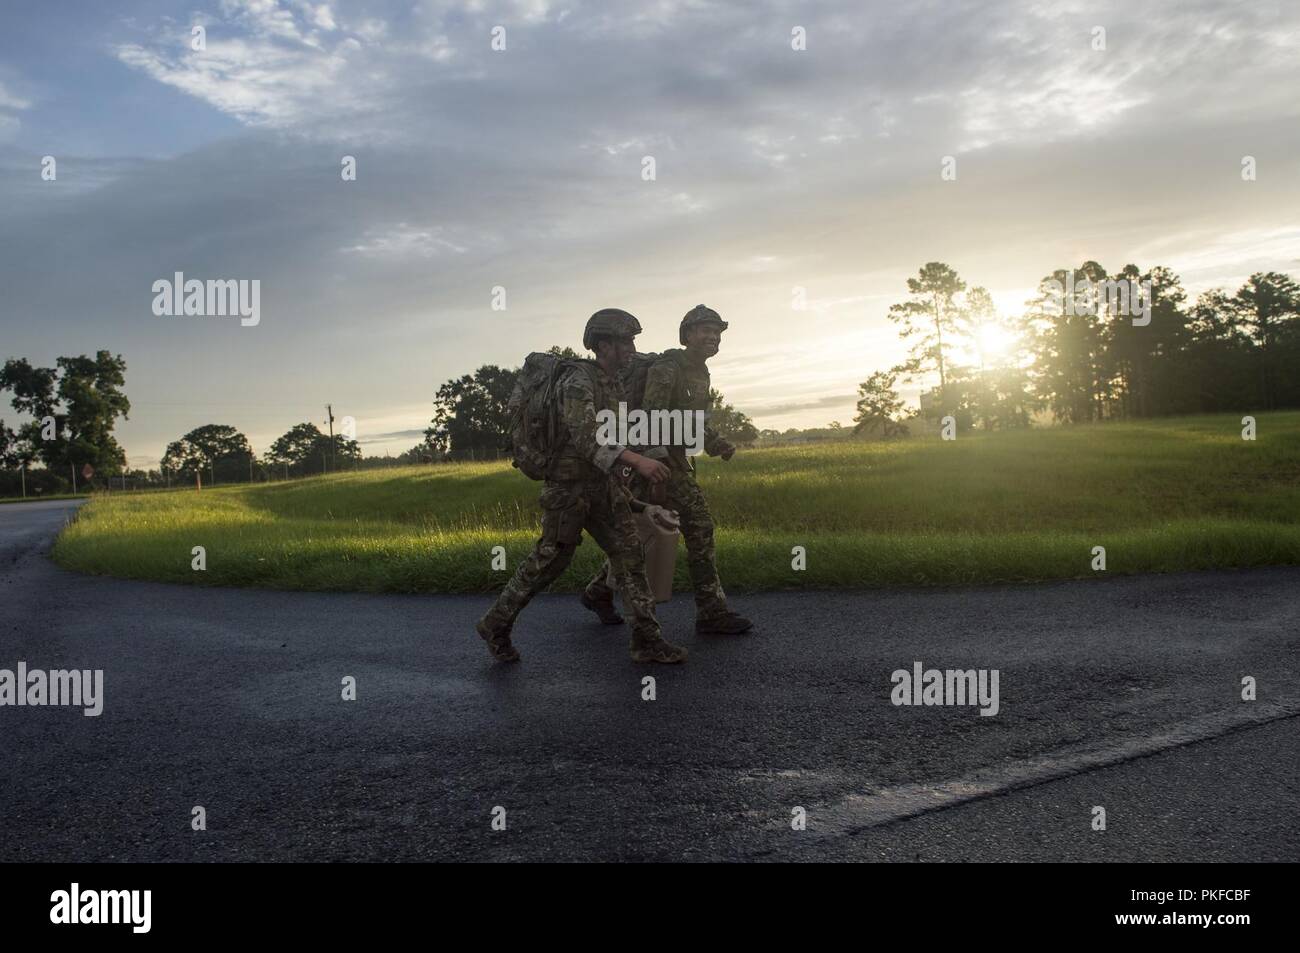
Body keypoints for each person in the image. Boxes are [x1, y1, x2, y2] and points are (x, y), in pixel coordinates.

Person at [475, 308, 689, 664]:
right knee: (549, 562)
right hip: (568, 488)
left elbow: (617, 437)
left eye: (633, 340)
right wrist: (639, 462)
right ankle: (495, 623)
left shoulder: (613, 384)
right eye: (625, 341)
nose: (632, 348)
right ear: (602, 345)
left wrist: (642, 470)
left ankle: (646, 640)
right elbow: (587, 438)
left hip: (602, 486)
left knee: (630, 554)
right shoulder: (577, 381)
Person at [582, 304, 752, 635]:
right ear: (687, 334)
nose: (713, 337)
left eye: (717, 332)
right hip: (658, 464)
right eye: (705, 330)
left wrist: (717, 444)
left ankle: (597, 592)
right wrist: (656, 465)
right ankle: (711, 611)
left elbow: (692, 419)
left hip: (672, 463)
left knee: (646, 533)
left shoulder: (701, 373)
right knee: (698, 528)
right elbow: (650, 415)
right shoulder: (667, 367)